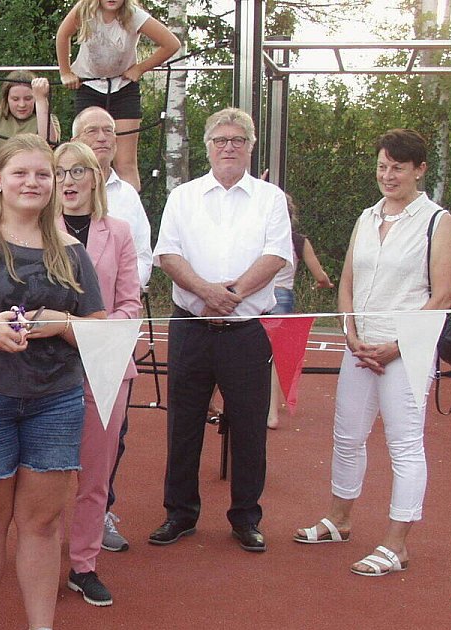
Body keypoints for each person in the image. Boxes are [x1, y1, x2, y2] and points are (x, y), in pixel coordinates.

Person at [0, 134, 106, 630]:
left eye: (43, 174)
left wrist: (62, 322)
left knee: (42, 523)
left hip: (55, 400)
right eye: (21, 173)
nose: (32, 183)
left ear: (54, 184)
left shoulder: (73, 252)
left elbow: (99, 329)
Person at [294, 129, 451, 577]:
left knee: (404, 446)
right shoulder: (366, 217)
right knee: (347, 437)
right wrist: (349, 332)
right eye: (383, 166)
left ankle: (397, 543)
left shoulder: (436, 221)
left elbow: (442, 295)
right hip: (360, 347)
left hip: (405, 351)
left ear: (419, 170)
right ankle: (339, 519)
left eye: (398, 168)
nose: (388, 176)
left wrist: (396, 346)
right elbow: (347, 279)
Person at [149, 107, 292, 553]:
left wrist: (228, 295)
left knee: (249, 428)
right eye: (220, 140)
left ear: (250, 147)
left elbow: (276, 256)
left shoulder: (271, 198)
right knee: (183, 425)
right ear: (207, 147)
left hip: (246, 331)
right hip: (190, 327)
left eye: (238, 139)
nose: (228, 146)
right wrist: (206, 293)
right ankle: (180, 513)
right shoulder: (183, 196)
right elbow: (168, 255)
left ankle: (246, 517)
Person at [54, 141, 141, 607]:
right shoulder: (35, 229)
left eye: (78, 172)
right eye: (60, 172)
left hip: (105, 368)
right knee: (42, 475)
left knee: (94, 476)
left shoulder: (120, 232)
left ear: (95, 178)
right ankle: (43, 560)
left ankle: (83, 565)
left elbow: (130, 304)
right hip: (45, 369)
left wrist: (93, 332)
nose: (68, 181)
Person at [70, 105, 153, 550]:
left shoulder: (124, 210)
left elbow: (139, 268)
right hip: (48, 361)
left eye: (108, 130)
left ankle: (91, 539)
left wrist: (100, 327)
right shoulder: (40, 205)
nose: (102, 137)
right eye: (91, 131)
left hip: (106, 355)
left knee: (103, 453)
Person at [56, 0, 180, 191]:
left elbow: (171, 43)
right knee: (89, 159)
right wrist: (65, 72)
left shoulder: (134, 14)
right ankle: (88, 209)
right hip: (89, 86)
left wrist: (140, 68)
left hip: (124, 88)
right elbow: (63, 35)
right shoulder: (84, 9)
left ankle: (129, 213)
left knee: (125, 163)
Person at [266, 193, 334, 429]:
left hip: (257, 296)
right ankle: (271, 413)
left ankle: (212, 399)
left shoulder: (259, 236)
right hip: (282, 296)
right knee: (274, 355)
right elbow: (319, 274)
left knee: (237, 346)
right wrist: (324, 282)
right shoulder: (298, 241)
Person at [0, 68, 61, 165]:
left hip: (27, 174)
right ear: (7, 99)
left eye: (28, 98)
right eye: (15, 99)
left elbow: (49, 142)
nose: (22, 104)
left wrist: (41, 99)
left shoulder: (46, 119)